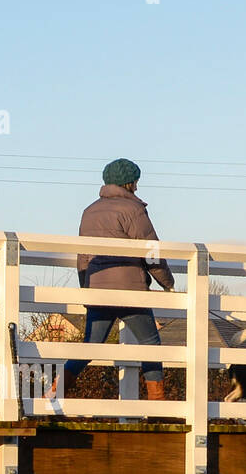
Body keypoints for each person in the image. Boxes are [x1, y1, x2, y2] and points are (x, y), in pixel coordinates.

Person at [51, 158, 174, 402]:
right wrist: (167, 282)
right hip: (130, 291)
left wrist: (86, 287)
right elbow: (151, 251)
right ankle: (157, 405)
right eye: (136, 182)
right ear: (129, 183)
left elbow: (83, 256)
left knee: (90, 346)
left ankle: (54, 393)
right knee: (150, 344)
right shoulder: (134, 210)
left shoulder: (89, 212)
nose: (137, 187)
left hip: (97, 290)